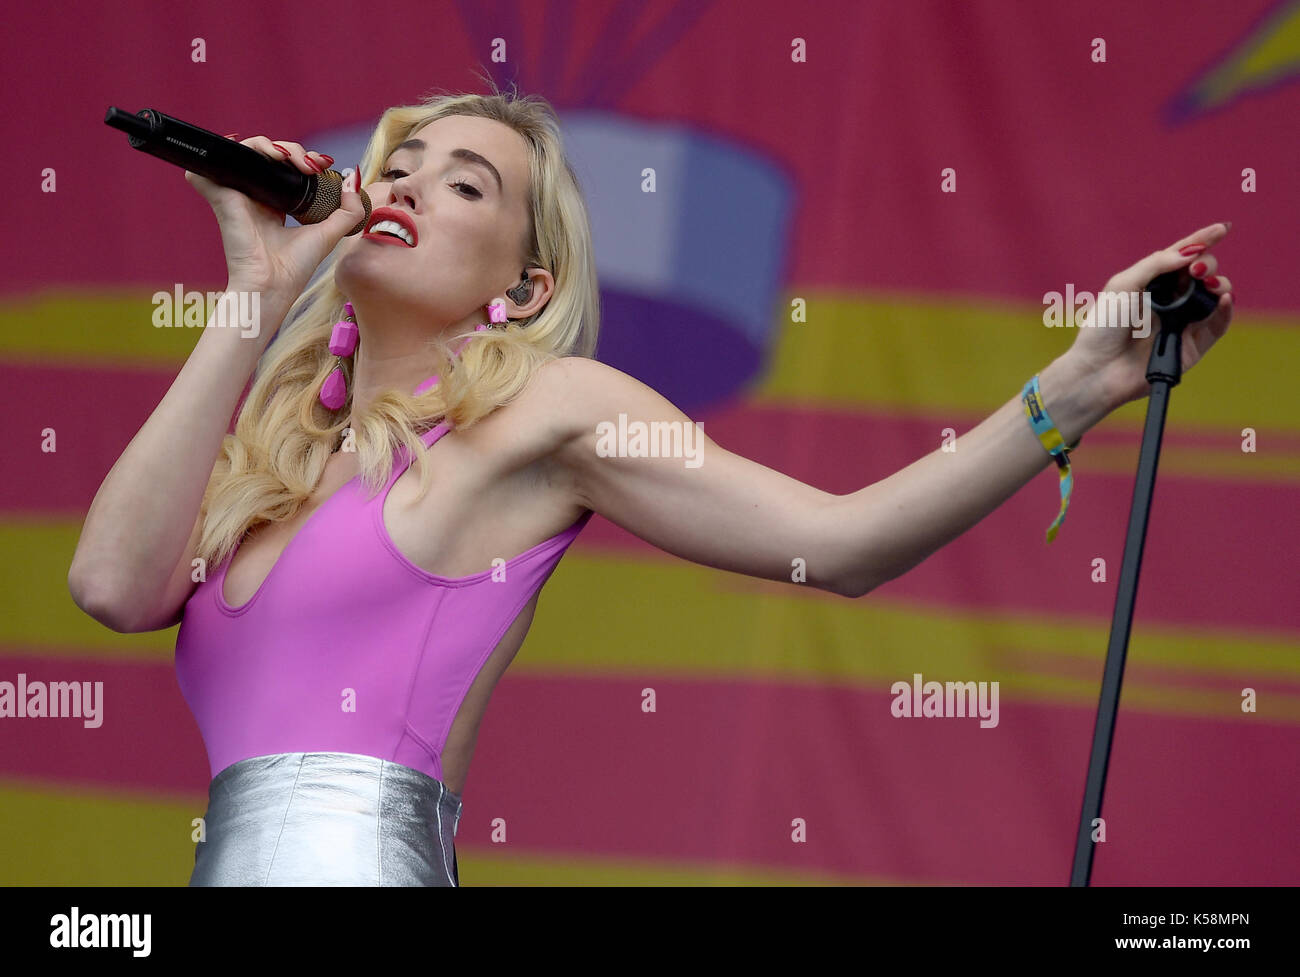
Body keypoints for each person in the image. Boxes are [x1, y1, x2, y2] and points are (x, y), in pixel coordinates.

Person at [67, 86, 1234, 886]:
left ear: (522, 289)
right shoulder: (275, 463)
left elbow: (840, 544)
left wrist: (1072, 389)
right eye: (399, 165)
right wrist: (254, 290)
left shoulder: (549, 408)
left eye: (465, 184)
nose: (409, 188)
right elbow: (111, 584)